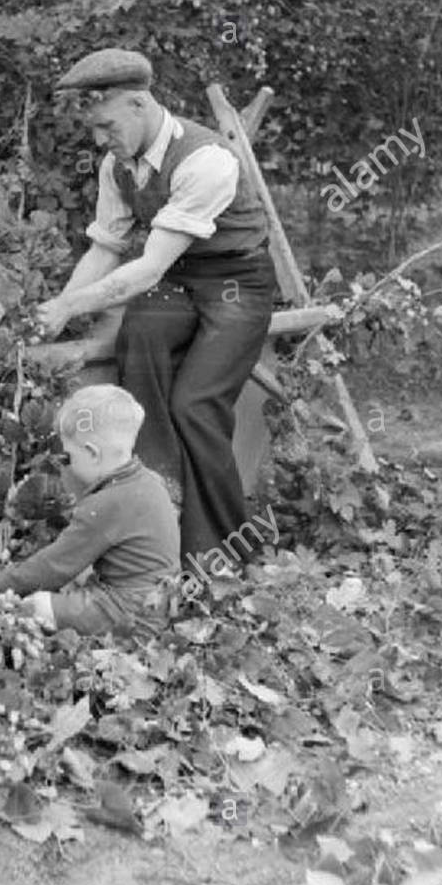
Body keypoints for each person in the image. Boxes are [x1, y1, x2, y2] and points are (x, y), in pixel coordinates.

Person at [34, 48, 276, 566]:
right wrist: (56, 311)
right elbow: (106, 249)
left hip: (237, 282)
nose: (101, 140)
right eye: (94, 131)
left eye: (106, 125)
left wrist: (68, 306)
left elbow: (144, 269)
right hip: (178, 279)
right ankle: (166, 513)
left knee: (195, 404)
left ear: (140, 104)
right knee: (138, 345)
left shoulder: (206, 159)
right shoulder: (116, 167)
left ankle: (234, 548)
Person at [0, 385, 179, 636]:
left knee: (37, 606)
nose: (68, 465)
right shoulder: (148, 482)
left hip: (133, 614)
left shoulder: (107, 503)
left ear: (92, 453)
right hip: (161, 601)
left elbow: (55, 566)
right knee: (77, 580)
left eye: (70, 456)